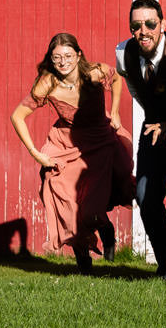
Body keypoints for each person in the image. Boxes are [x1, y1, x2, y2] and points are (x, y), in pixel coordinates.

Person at [9, 32, 134, 270]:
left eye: (67, 56)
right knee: (66, 200)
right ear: (51, 60)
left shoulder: (95, 72)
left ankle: (105, 229)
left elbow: (117, 78)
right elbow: (17, 116)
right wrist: (37, 154)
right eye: (57, 58)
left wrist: (115, 111)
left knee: (91, 208)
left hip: (99, 143)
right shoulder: (47, 82)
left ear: (78, 56)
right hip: (65, 145)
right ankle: (83, 263)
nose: (63, 62)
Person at [114, 0, 166, 279]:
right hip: (153, 131)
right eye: (136, 26)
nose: (144, 31)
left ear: (163, 24)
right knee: (145, 196)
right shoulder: (123, 53)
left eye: (150, 23)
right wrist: (154, 118)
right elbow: (136, 90)